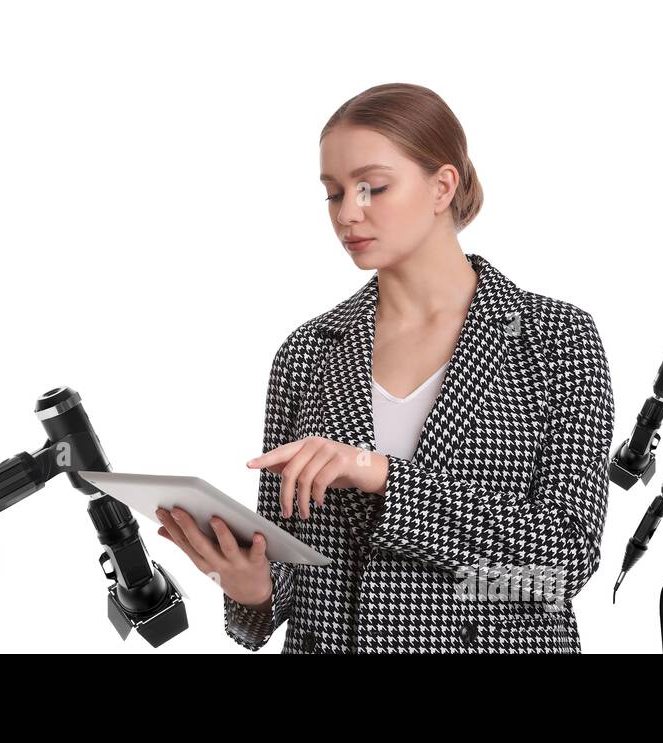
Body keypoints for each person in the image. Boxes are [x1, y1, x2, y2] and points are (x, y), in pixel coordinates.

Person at [156, 83, 615, 653]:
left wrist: (380, 476)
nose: (348, 213)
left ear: (442, 186)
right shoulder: (309, 352)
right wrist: (250, 590)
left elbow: (560, 570)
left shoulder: (555, 340)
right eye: (334, 193)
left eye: (373, 187)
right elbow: (284, 581)